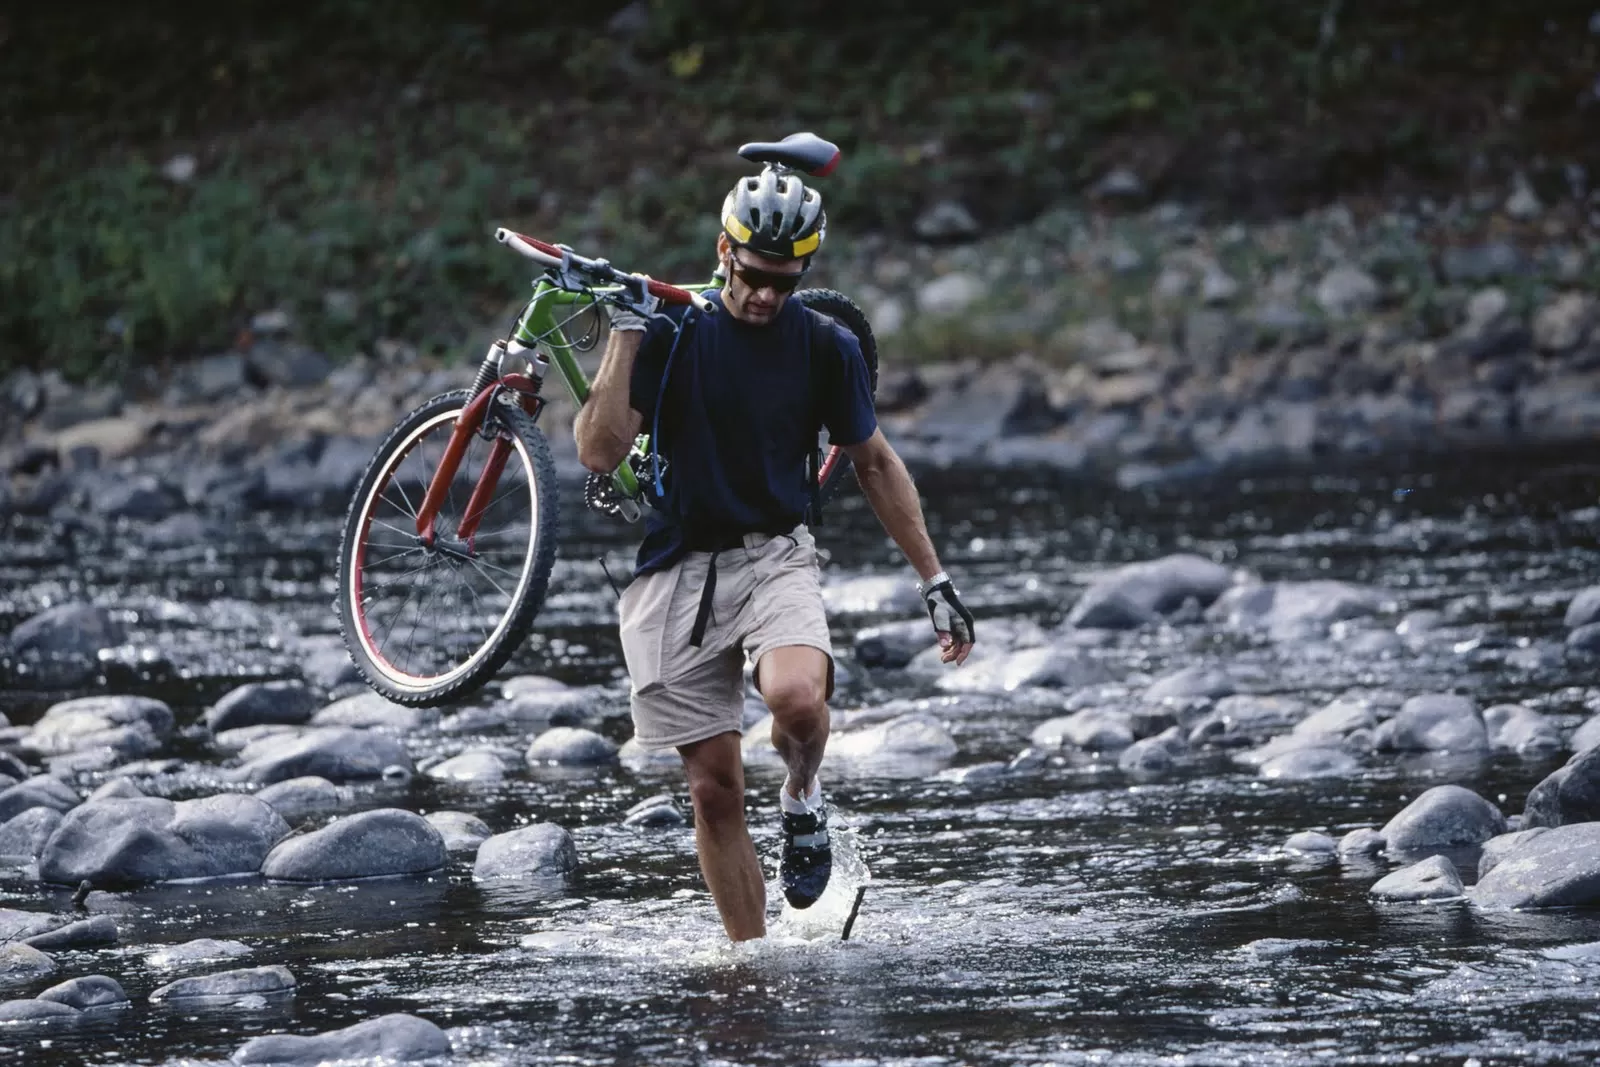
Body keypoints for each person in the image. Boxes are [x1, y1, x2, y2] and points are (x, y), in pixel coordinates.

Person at [573, 163, 975, 941]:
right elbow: (596, 450)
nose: (765, 294)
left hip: (775, 555)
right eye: (754, 274)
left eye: (784, 282)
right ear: (725, 250)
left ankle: (802, 795)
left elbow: (875, 462)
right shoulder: (668, 333)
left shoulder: (824, 347)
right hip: (675, 569)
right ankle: (754, 963)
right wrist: (624, 331)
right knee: (714, 789)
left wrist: (936, 578)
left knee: (795, 698)